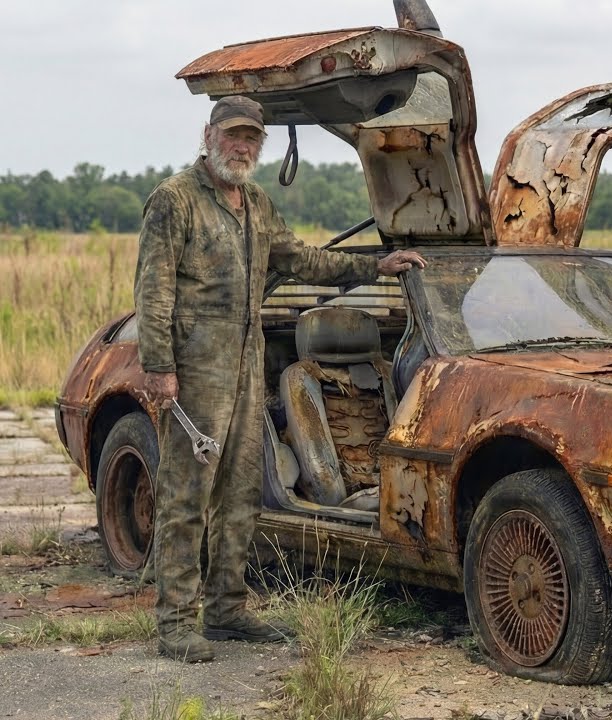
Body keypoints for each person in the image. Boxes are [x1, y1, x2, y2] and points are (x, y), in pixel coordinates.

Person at [134, 95, 426, 662]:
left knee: (242, 490)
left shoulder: (257, 204)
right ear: (208, 134)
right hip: (195, 370)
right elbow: (154, 291)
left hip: (246, 366)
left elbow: (304, 260)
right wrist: (160, 367)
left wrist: (376, 266)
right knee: (187, 494)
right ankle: (174, 625)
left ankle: (226, 610)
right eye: (233, 135)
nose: (242, 147)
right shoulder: (175, 201)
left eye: (252, 139)